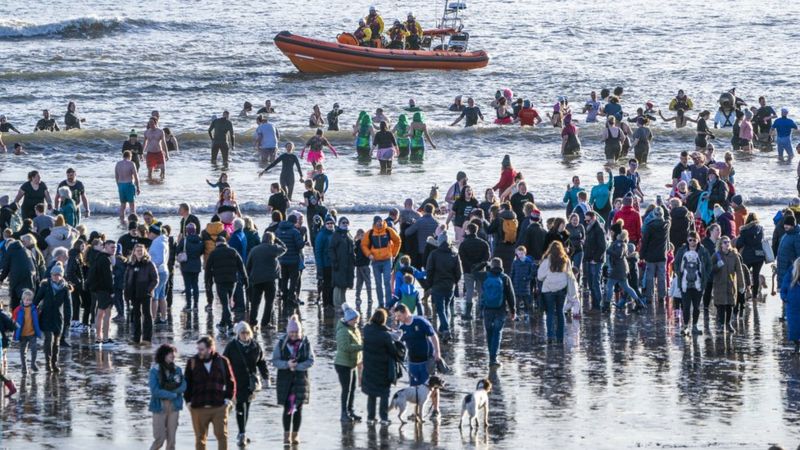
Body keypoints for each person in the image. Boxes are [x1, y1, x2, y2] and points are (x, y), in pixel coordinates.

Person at [184, 336, 236, 450]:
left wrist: (228, 399)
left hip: (219, 406)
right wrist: (187, 401)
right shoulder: (192, 362)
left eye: (201, 349)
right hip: (198, 407)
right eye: (198, 349)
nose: (199, 352)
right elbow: (186, 384)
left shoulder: (222, 361)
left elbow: (231, 381)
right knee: (200, 438)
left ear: (210, 349)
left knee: (222, 436)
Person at [223, 322, 269, 447]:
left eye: (247, 332)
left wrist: (266, 377)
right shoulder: (232, 346)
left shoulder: (255, 345)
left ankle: (242, 431)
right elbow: (224, 362)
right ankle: (242, 433)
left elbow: (261, 362)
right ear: (238, 334)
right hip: (236, 381)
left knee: (247, 406)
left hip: (250, 382)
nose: (245, 335)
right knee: (240, 406)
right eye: (242, 332)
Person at [272, 315, 315, 445]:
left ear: (300, 332)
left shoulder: (306, 343)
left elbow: (311, 360)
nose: (294, 334)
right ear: (288, 331)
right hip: (285, 382)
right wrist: (287, 364)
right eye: (291, 332)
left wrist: (297, 366)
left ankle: (295, 434)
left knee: (298, 409)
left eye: (296, 332)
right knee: (287, 409)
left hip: (301, 381)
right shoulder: (281, 343)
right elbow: (275, 361)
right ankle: (286, 435)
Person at [394, 303, 442, 417]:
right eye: (396, 316)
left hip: (427, 360)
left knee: (432, 386)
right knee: (415, 388)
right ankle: (416, 413)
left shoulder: (420, 321)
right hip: (412, 362)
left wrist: (437, 352)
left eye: (399, 315)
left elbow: (433, 336)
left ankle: (436, 410)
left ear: (405, 313)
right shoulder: (402, 328)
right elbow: (397, 343)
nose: (398, 318)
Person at [361, 308, 401, 426]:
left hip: (369, 367)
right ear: (383, 320)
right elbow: (393, 352)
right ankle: (384, 418)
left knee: (371, 394)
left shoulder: (367, 330)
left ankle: (370, 418)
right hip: (383, 369)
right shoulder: (385, 336)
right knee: (384, 394)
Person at [206, 235, 248, 335]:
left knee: (225, 304)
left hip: (220, 281)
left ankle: (230, 326)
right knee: (227, 302)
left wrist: (208, 282)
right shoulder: (233, 251)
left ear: (217, 244)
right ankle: (222, 324)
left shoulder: (213, 253)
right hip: (232, 281)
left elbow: (208, 270)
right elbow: (241, 266)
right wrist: (246, 280)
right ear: (225, 242)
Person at [33, 262, 71, 372]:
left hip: (58, 318)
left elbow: (68, 307)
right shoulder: (45, 286)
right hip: (45, 316)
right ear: (51, 275)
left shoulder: (65, 289)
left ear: (62, 275)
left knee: (56, 343)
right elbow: (37, 300)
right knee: (48, 340)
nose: (56, 277)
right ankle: (48, 363)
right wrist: (29, 311)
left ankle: (54, 363)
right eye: (54, 274)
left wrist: (68, 321)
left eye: (59, 274)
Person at [149, 343, 186, 450]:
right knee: (159, 439)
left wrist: (170, 391)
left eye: (173, 354)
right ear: (163, 355)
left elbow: (183, 386)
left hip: (174, 407)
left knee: (171, 441)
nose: (173, 356)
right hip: (159, 407)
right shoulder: (154, 370)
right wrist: (172, 394)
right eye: (171, 353)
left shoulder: (177, 369)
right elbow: (155, 391)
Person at [673, 231, 711, 335]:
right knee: (685, 306)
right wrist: (679, 274)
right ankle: (685, 326)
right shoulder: (682, 250)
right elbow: (676, 263)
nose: (692, 242)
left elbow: (709, 265)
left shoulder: (703, 251)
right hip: (685, 283)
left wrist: (705, 276)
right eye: (690, 240)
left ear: (698, 240)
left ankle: (694, 326)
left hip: (698, 283)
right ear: (687, 240)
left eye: (694, 240)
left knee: (697, 306)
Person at [426, 233, 462, 341]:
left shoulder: (434, 254)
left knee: (440, 309)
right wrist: (454, 282)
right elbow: (459, 272)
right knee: (445, 308)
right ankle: (442, 330)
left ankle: (446, 330)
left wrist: (430, 284)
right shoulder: (454, 254)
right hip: (450, 286)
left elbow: (429, 270)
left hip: (437, 285)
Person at [245, 231, 285, 329]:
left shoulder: (254, 249)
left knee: (255, 302)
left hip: (256, 279)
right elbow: (284, 248)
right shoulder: (273, 248)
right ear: (271, 239)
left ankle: (252, 322)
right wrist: (277, 240)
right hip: (270, 279)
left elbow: (248, 265)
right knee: (269, 302)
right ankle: (265, 323)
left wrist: (250, 277)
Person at [361, 216, 401, 308]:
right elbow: (364, 245)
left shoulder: (388, 231)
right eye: (377, 222)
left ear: (383, 222)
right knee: (378, 283)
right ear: (374, 223)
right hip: (375, 261)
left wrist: (394, 253)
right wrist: (368, 254)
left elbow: (398, 240)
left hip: (387, 260)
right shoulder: (370, 233)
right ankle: (381, 303)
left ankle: (389, 303)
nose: (379, 223)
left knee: (387, 282)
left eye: (381, 221)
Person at [334, 304, 362, 422]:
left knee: (352, 388)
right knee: (346, 389)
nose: (357, 322)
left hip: (352, 363)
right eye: (355, 320)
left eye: (357, 320)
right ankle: (343, 413)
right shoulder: (343, 331)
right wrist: (362, 347)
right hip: (343, 364)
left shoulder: (354, 329)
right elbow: (345, 347)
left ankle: (350, 411)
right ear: (349, 319)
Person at [711, 236, 745, 333]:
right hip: (719, 284)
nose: (727, 244)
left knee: (730, 305)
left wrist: (741, 285)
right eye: (725, 242)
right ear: (721, 244)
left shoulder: (734, 255)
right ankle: (721, 324)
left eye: (728, 242)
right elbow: (710, 269)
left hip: (730, 283)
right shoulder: (716, 255)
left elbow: (739, 270)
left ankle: (728, 323)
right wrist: (717, 266)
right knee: (721, 305)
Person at [125, 243, 158, 344]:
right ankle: (136, 338)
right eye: (137, 250)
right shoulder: (131, 264)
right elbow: (126, 280)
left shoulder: (149, 264)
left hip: (145, 293)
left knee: (147, 315)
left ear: (144, 252)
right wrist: (126, 293)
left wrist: (148, 290)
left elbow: (155, 280)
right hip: (134, 293)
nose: (139, 252)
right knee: (135, 315)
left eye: (141, 250)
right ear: (134, 252)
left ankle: (147, 339)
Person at [604, 230, 644, 311]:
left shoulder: (619, 244)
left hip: (617, 269)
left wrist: (608, 251)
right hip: (622, 268)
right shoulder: (623, 244)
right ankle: (639, 303)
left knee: (609, 286)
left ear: (619, 235)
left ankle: (607, 305)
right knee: (626, 287)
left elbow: (619, 254)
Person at [88, 239, 115, 346]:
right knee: (104, 314)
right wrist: (111, 291)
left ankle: (101, 338)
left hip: (99, 289)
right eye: (112, 247)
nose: (114, 249)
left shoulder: (99, 257)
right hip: (104, 290)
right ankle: (103, 338)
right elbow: (108, 278)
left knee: (102, 313)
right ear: (105, 247)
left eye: (115, 247)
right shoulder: (104, 259)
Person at [641, 207, 670, 304]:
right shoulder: (666, 225)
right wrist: (662, 204)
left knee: (650, 277)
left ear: (653, 215)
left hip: (651, 255)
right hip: (662, 254)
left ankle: (649, 297)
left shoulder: (649, 226)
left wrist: (642, 255)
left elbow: (645, 242)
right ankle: (662, 296)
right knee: (662, 276)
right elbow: (668, 216)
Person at [329, 216, 355, 310]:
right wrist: (334, 261)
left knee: (344, 284)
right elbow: (331, 249)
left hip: (348, 264)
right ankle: (337, 304)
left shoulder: (348, 234)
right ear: (339, 224)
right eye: (343, 222)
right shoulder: (336, 234)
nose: (345, 224)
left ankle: (343, 303)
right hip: (339, 263)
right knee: (337, 284)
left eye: (346, 222)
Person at [176, 223, 203, 311]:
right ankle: (196, 305)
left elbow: (178, 251)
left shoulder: (184, 240)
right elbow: (201, 251)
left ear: (187, 231)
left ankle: (188, 305)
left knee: (187, 286)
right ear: (195, 230)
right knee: (195, 285)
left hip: (186, 266)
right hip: (197, 265)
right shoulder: (200, 240)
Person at [13, 289, 40, 374]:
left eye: (29, 300)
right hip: (22, 334)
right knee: (22, 351)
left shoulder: (34, 309)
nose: (27, 301)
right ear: (22, 299)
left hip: (32, 333)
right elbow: (13, 320)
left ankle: (33, 364)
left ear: (31, 300)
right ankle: (24, 367)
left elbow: (38, 319)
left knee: (34, 349)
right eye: (25, 299)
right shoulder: (18, 310)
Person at [314, 215, 336, 307]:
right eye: (328, 223)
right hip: (325, 264)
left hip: (334, 264)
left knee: (333, 284)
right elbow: (318, 252)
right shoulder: (321, 235)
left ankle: (332, 302)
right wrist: (320, 266)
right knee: (326, 285)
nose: (330, 225)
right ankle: (326, 303)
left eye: (332, 223)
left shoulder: (335, 233)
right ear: (325, 224)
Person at [780, 258, 800, 353]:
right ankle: (797, 345)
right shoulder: (791, 273)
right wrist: (784, 297)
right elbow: (784, 286)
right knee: (794, 327)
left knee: (794, 326)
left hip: (792, 303)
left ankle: (797, 345)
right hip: (792, 304)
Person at [143, 116, 169, 181]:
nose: (150, 124)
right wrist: (141, 153)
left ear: (156, 122)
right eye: (149, 123)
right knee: (150, 171)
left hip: (159, 152)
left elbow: (164, 143)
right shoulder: (146, 132)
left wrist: (167, 154)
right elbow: (144, 143)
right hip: (150, 153)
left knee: (163, 169)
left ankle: (162, 181)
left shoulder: (160, 132)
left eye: (152, 123)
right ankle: (151, 184)